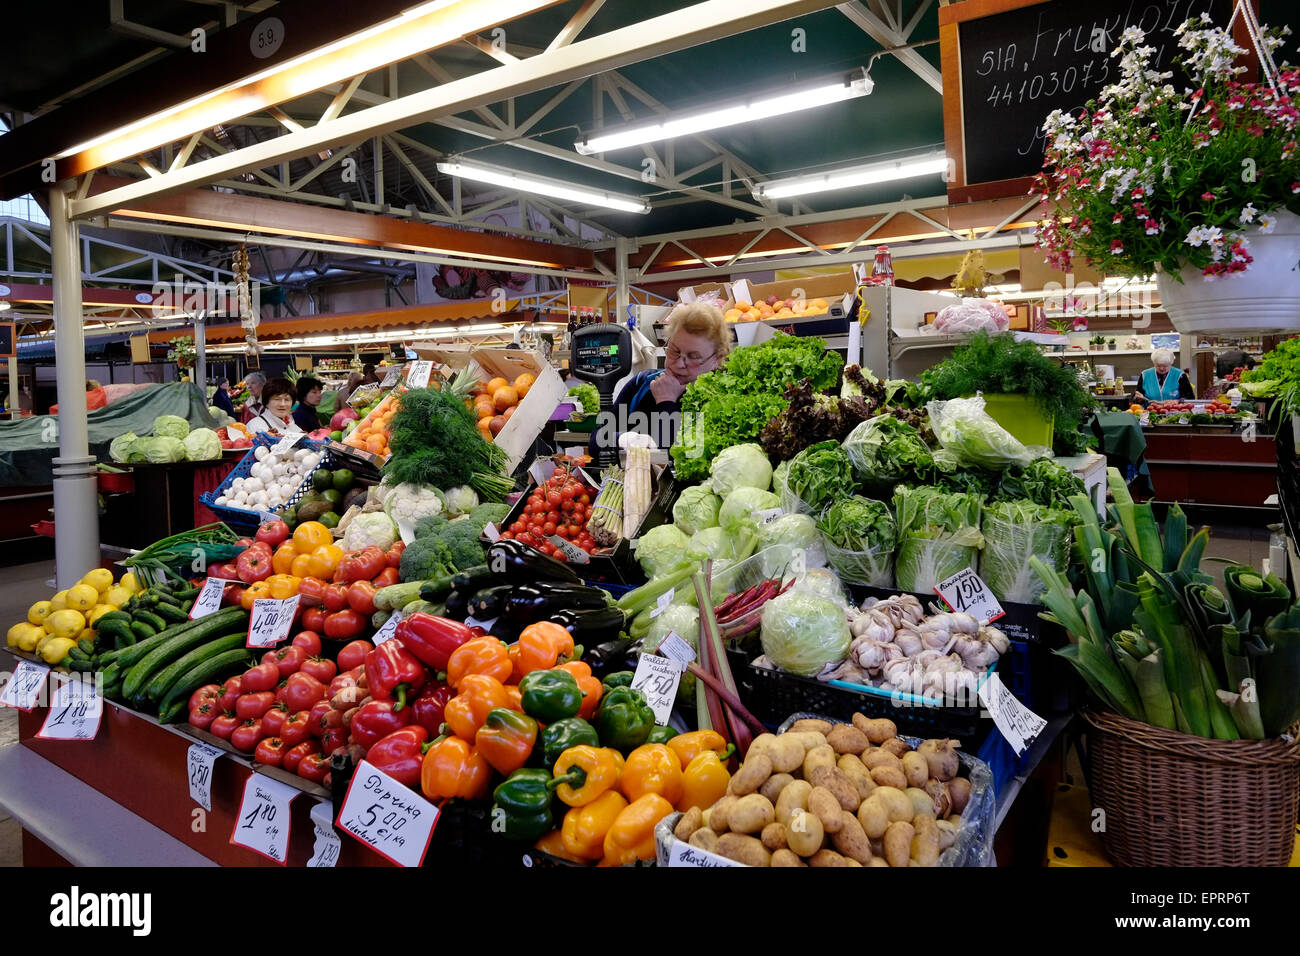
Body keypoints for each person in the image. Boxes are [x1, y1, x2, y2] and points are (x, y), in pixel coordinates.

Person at [593, 302, 731, 452]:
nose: (679, 364)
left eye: (693, 357)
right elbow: (596, 441)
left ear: (717, 359)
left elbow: (684, 457)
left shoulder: (723, 401)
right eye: (674, 351)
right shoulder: (643, 383)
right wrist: (621, 438)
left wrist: (666, 402)